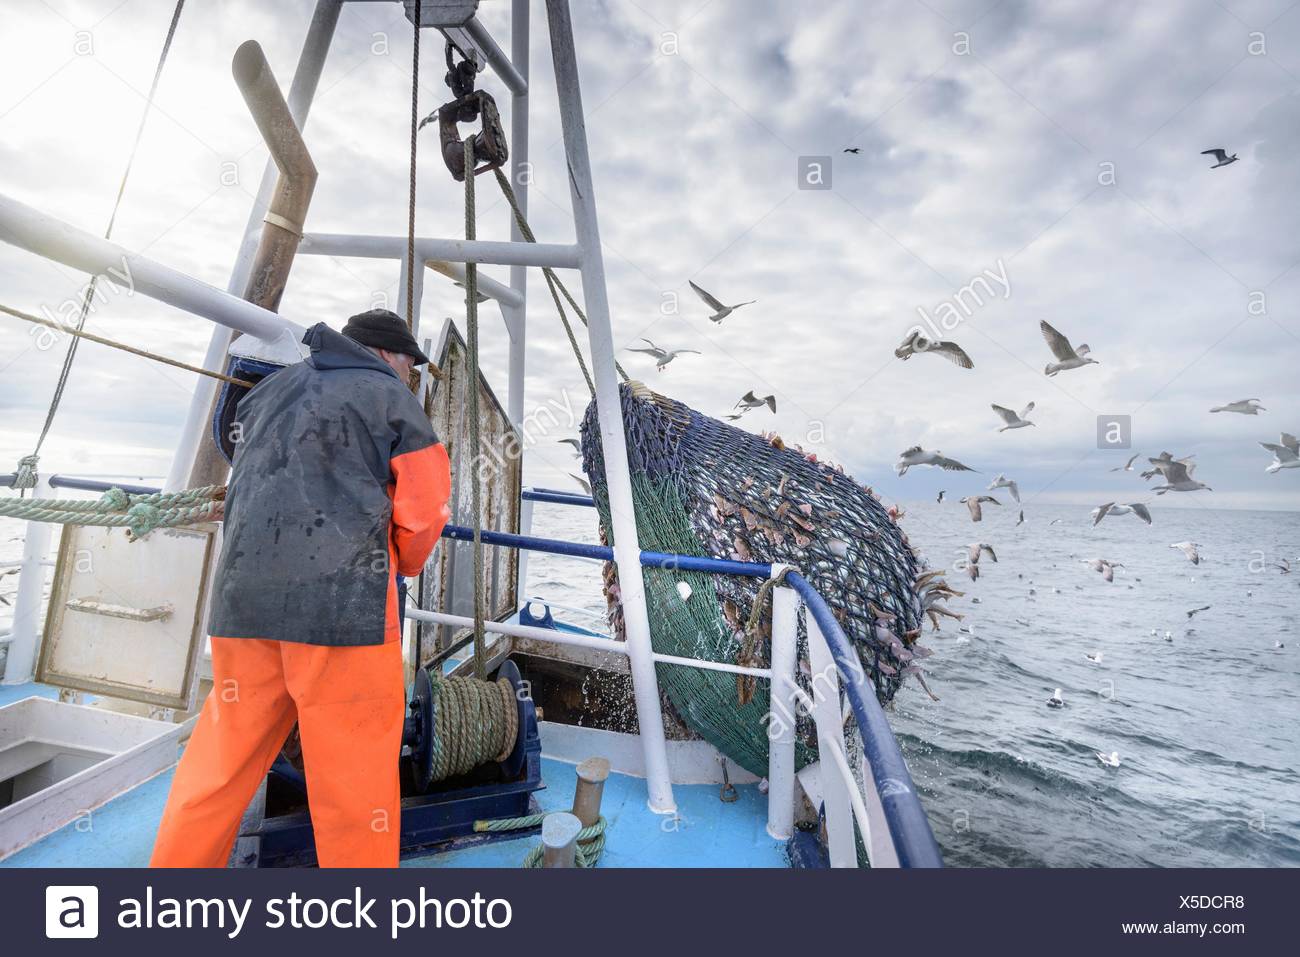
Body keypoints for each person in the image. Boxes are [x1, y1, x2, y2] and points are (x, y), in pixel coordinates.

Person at [151, 308, 451, 868]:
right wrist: (404, 565)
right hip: (345, 622)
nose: (411, 376)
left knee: (219, 767)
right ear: (389, 355)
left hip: (243, 612)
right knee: (354, 786)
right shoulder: (392, 400)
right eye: (412, 365)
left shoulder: (269, 391)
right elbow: (425, 513)